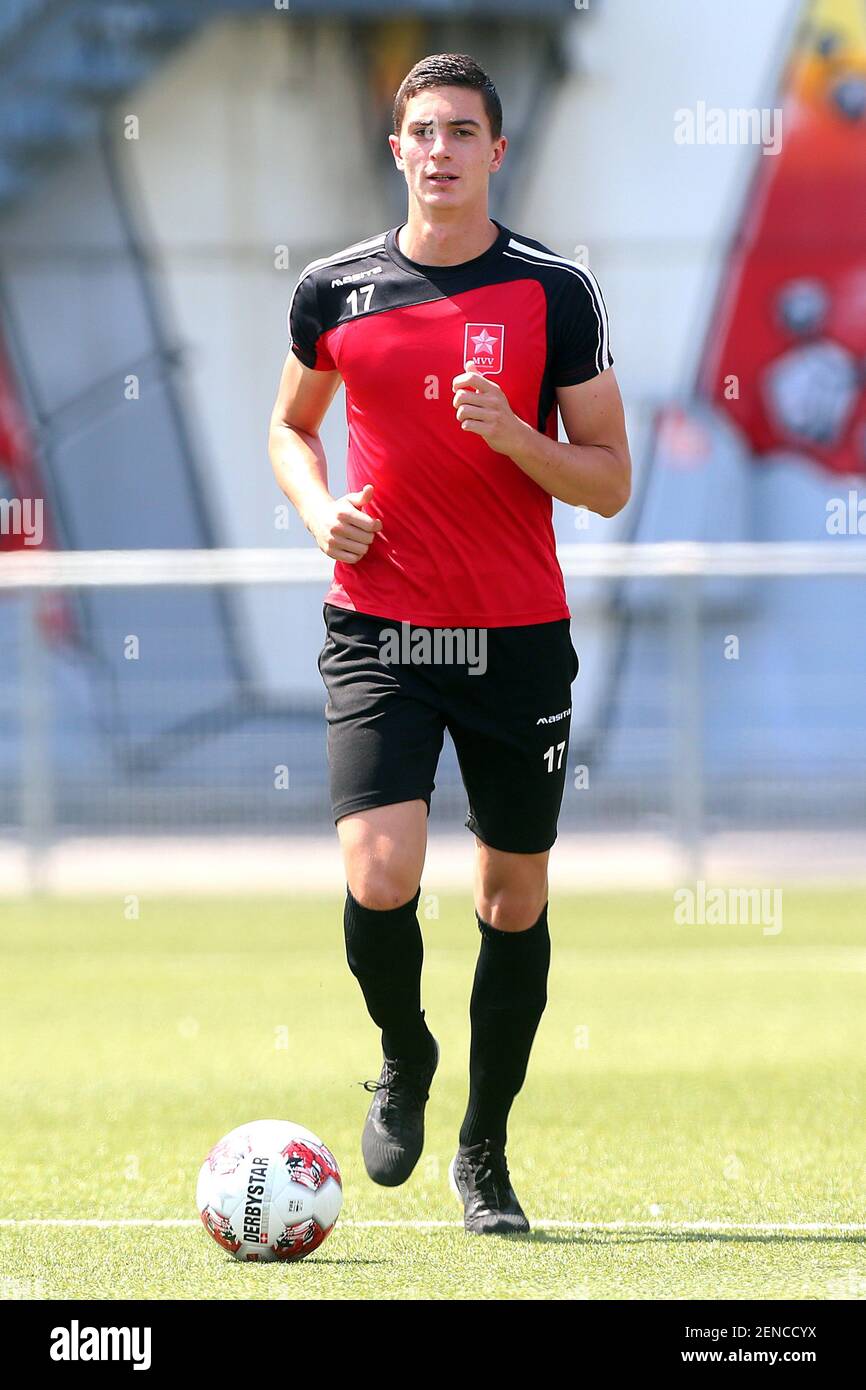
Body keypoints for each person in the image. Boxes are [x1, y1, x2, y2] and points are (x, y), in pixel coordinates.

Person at [268, 52, 631, 1235]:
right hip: (377, 626)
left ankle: (484, 1148)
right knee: (378, 870)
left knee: (511, 898)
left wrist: (515, 438)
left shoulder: (553, 291)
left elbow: (610, 480)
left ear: (493, 152)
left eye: (460, 130)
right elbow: (287, 426)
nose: (438, 149)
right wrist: (322, 513)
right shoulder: (334, 290)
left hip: (517, 638)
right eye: (419, 129)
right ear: (397, 149)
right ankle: (404, 1051)